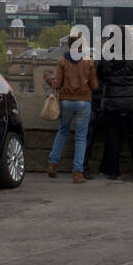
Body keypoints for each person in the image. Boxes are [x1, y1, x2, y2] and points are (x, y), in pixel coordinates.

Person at [44, 35, 99, 183]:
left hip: (66, 101)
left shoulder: (62, 60)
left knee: (62, 132)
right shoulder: (89, 61)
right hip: (83, 102)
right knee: (81, 137)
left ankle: (53, 164)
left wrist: (49, 79)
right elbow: (94, 86)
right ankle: (77, 173)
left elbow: (57, 84)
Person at [97, 51, 133, 181]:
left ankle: (113, 172)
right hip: (132, 103)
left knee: (113, 137)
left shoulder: (104, 58)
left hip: (112, 102)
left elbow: (99, 77)